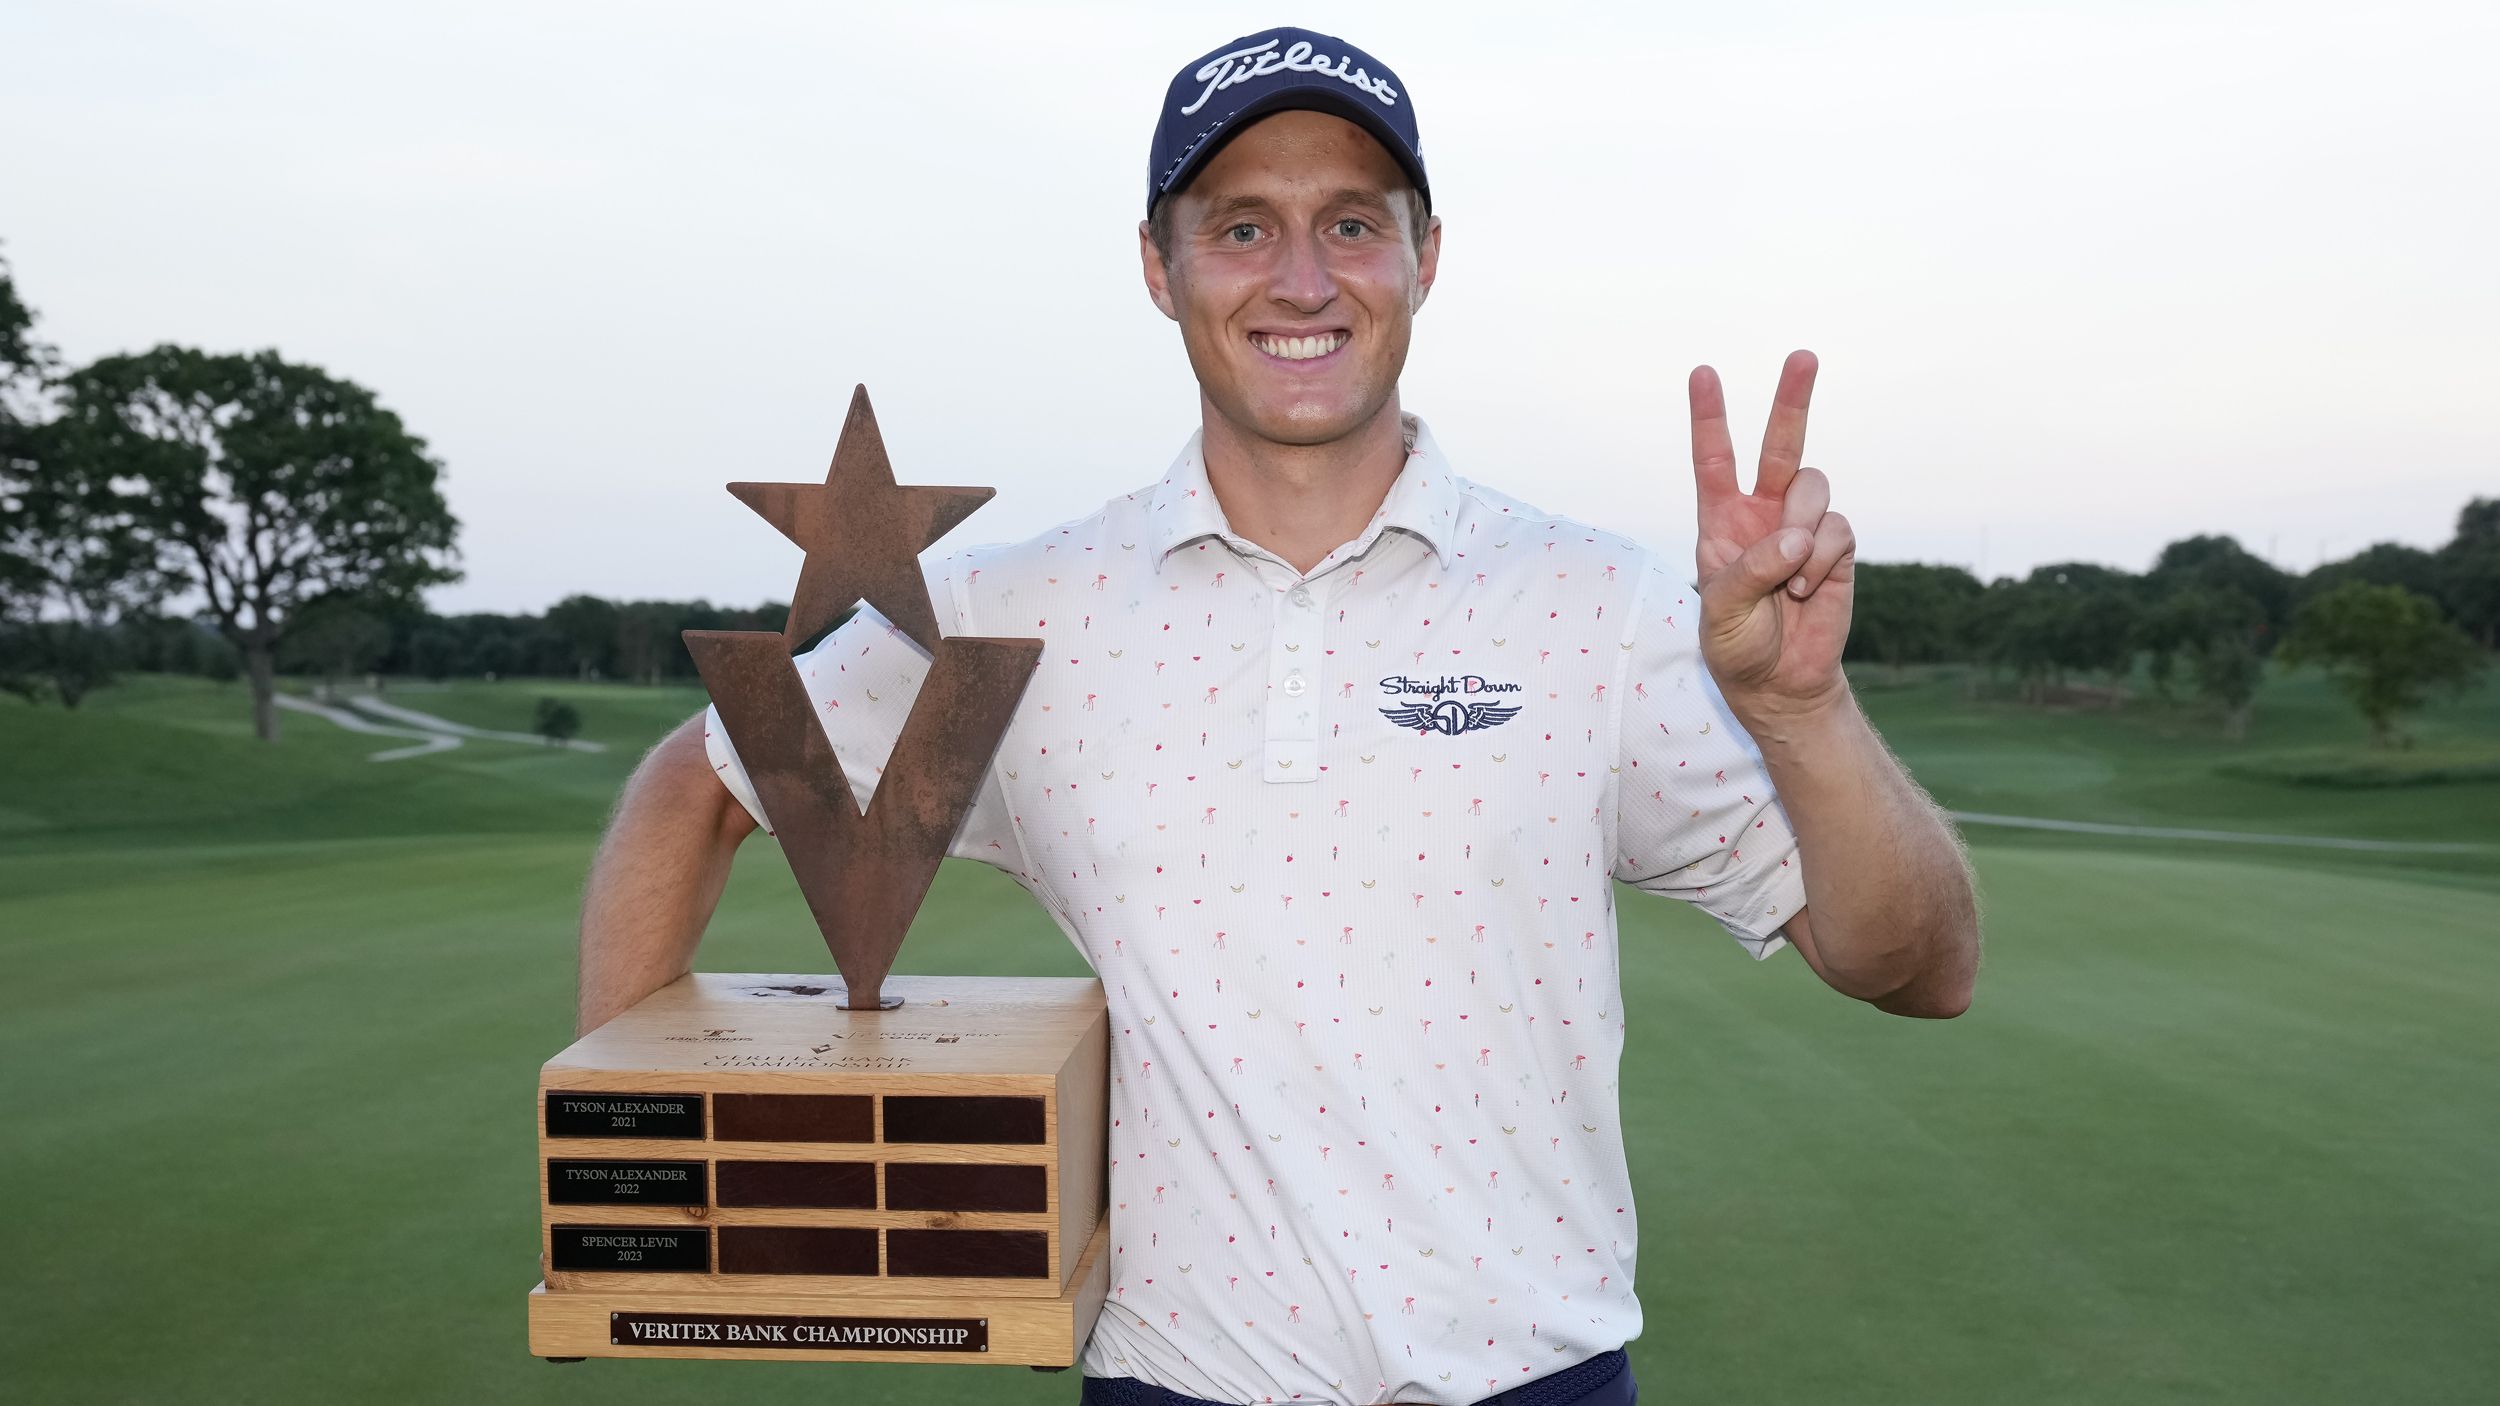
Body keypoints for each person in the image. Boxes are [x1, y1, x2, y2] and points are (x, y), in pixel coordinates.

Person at [576, 25, 1980, 1406]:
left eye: (1353, 223)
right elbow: (697, 781)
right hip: (1175, 1388)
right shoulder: (1016, 618)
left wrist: (1802, 711)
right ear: (1158, 266)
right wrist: (621, 1159)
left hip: (1537, 1386)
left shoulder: (1594, 608)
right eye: (1241, 228)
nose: (1303, 278)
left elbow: (1916, 965)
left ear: (1427, 255)